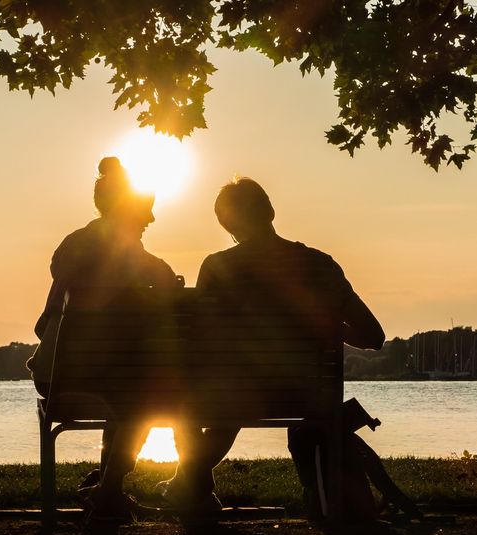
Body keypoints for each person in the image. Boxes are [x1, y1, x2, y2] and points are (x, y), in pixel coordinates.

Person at [162, 176, 385, 513]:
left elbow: (200, 339)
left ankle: (188, 485)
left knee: (202, 399)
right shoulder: (321, 265)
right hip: (306, 395)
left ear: (228, 224)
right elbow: (373, 336)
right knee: (236, 394)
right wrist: (326, 324)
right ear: (270, 211)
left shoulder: (218, 266)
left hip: (234, 392)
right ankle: (187, 485)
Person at [29, 156, 180, 519]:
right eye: (146, 211)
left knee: (127, 389)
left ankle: (107, 489)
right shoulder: (138, 258)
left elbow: (42, 325)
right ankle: (109, 487)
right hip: (108, 381)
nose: (152, 220)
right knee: (139, 394)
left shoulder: (71, 245)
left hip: (58, 378)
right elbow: (172, 286)